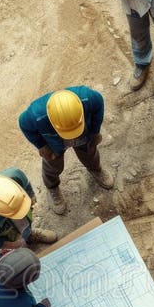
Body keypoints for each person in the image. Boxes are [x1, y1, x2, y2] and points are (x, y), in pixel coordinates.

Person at [18, 87, 114, 215]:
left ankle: (96, 169)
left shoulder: (88, 97)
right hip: (54, 141)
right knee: (52, 165)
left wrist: (95, 131)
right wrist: (41, 145)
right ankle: (52, 187)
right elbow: (24, 125)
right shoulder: (36, 115)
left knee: (89, 153)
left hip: (83, 134)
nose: (71, 138)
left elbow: (98, 105)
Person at [0, 168, 58, 249]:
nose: (22, 212)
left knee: (25, 222)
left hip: (12, 211)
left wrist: (31, 200)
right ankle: (20, 246)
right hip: (5, 232)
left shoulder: (14, 175)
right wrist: (13, 245)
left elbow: (27, 188)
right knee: (14, 238)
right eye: (16, 213)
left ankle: (29, 235)